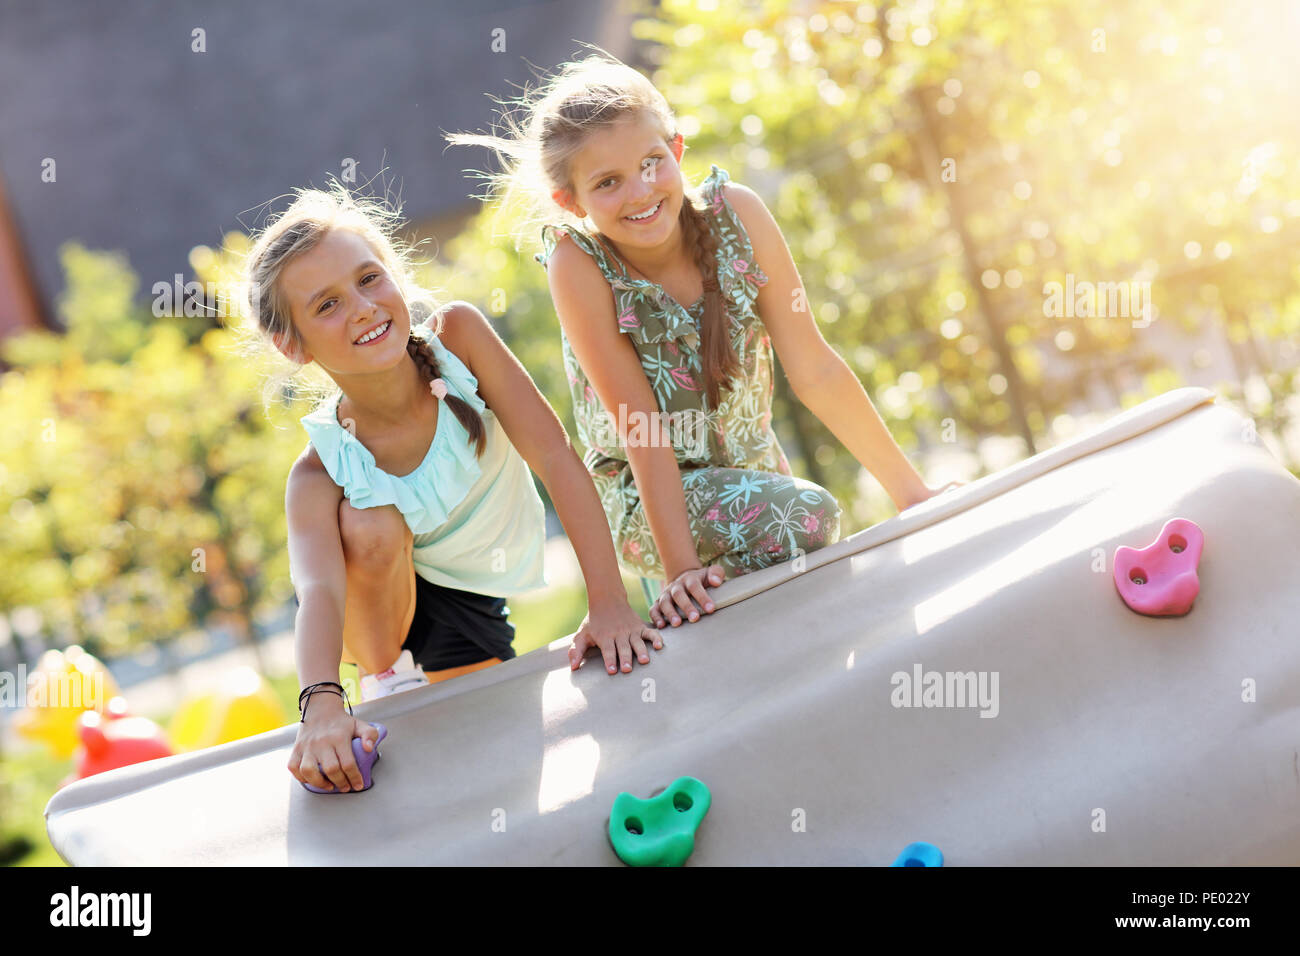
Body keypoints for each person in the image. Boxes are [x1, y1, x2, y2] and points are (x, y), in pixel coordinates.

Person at [448, 54, 958, 632]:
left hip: (752, 469)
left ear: (678, 151)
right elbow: (641, 427)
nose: (640, 192)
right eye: (607, 182)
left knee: (809, 572)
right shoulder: (578, 266)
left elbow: (813, 367)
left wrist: (911, 494)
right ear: (572, 202)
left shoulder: (737, 214)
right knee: (810, 514)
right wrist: (680, 572)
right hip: (647, 504)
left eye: (651, 163)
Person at [240, 183, 661, 793]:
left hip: (466, 606)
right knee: (370, 522)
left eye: (368, 279)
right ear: (291, 343)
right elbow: (319, 592)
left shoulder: (459, 339)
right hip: (378, 625)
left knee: (499, 778)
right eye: (326, 306)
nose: (361, 306)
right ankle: (385, 682)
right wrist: (322, 704)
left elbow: (556, 456)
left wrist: (609, 603)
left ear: (394, 274)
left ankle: (427, 680)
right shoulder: (316, 473)